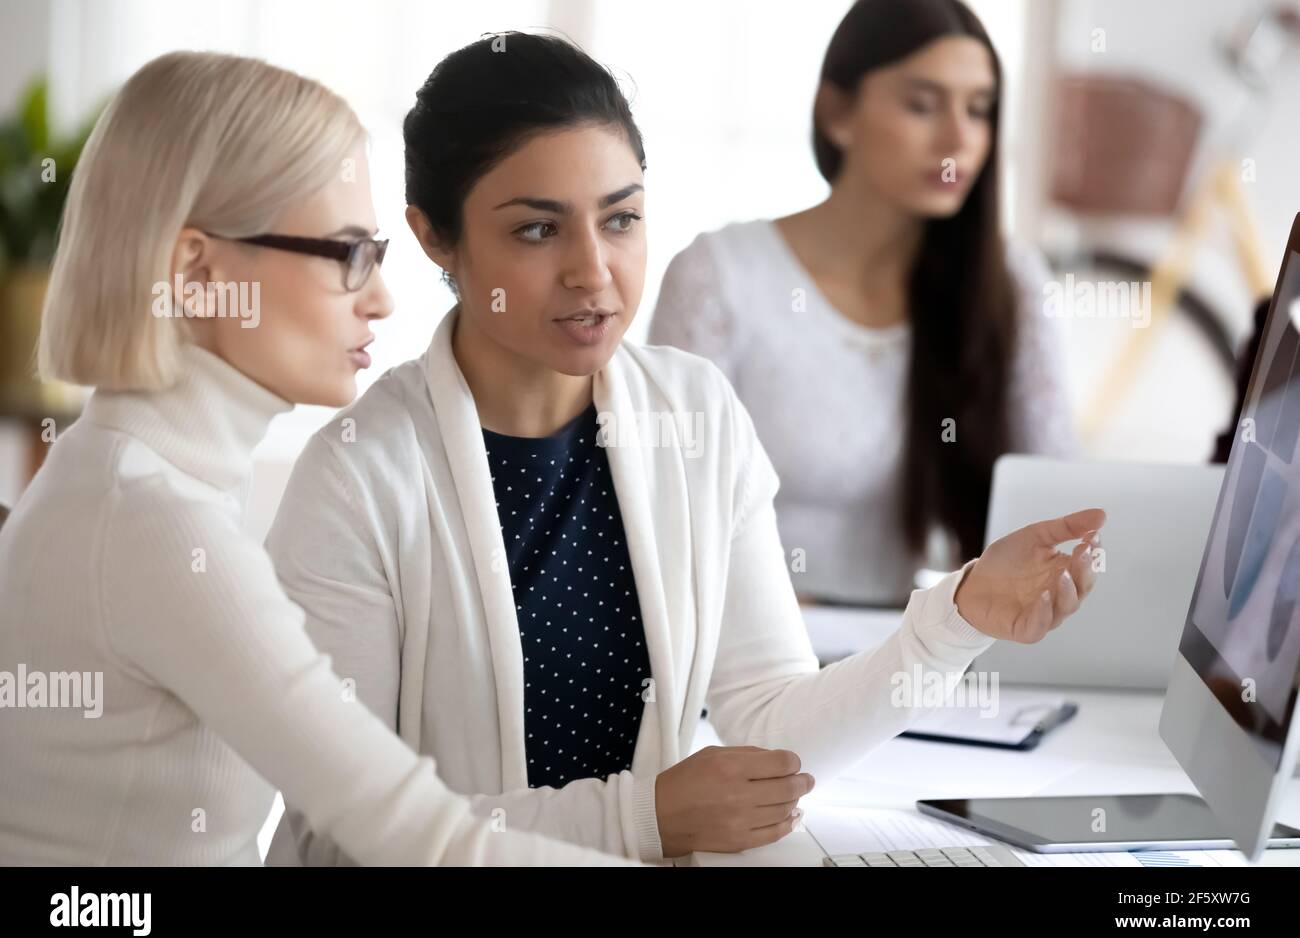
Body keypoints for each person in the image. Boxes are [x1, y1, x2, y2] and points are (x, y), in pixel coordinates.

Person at [267, 32, 1104, 866]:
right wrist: (642, 818)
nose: (593, 272)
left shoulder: (693, 411)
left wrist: (954, 623)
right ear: (436, 239)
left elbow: (772, 721)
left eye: (621, 218)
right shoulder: (356, 476)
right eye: (536, 231)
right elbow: (350, 834)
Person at [0, 51, 634, 867]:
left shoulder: (135, 473)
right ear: (197, 271)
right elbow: (420, 839)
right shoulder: (154, 520)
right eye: (345, 255)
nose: (381, 297)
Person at [650, 0, 1075, 605]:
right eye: (922, 105)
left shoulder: (1008, 284)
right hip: (738, 653)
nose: (959, 139)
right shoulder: (719, 278)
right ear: (838, 113)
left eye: (979, 110)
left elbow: (1055, 493)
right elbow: (665, 518)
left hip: (905, 652)